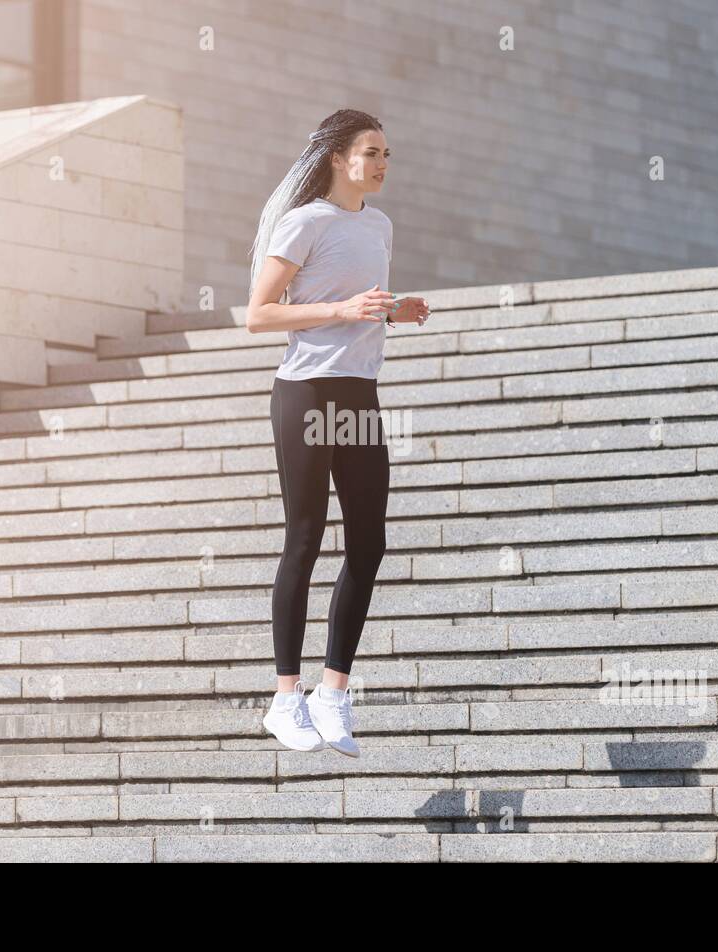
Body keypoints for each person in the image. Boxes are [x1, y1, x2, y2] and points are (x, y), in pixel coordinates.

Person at [246, 109, 430, 756]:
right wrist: (341, 309)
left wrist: (393, 311)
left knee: (369, 542)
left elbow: (360, 305)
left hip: (359, 395)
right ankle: (284, 697)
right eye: (371, 152)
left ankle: (333, 693)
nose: (382, 163)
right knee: (303, 538)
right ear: (338, 158)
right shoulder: (303, 222)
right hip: (304, 395)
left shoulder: (378, 225)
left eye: (388, 153)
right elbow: (258, 314)